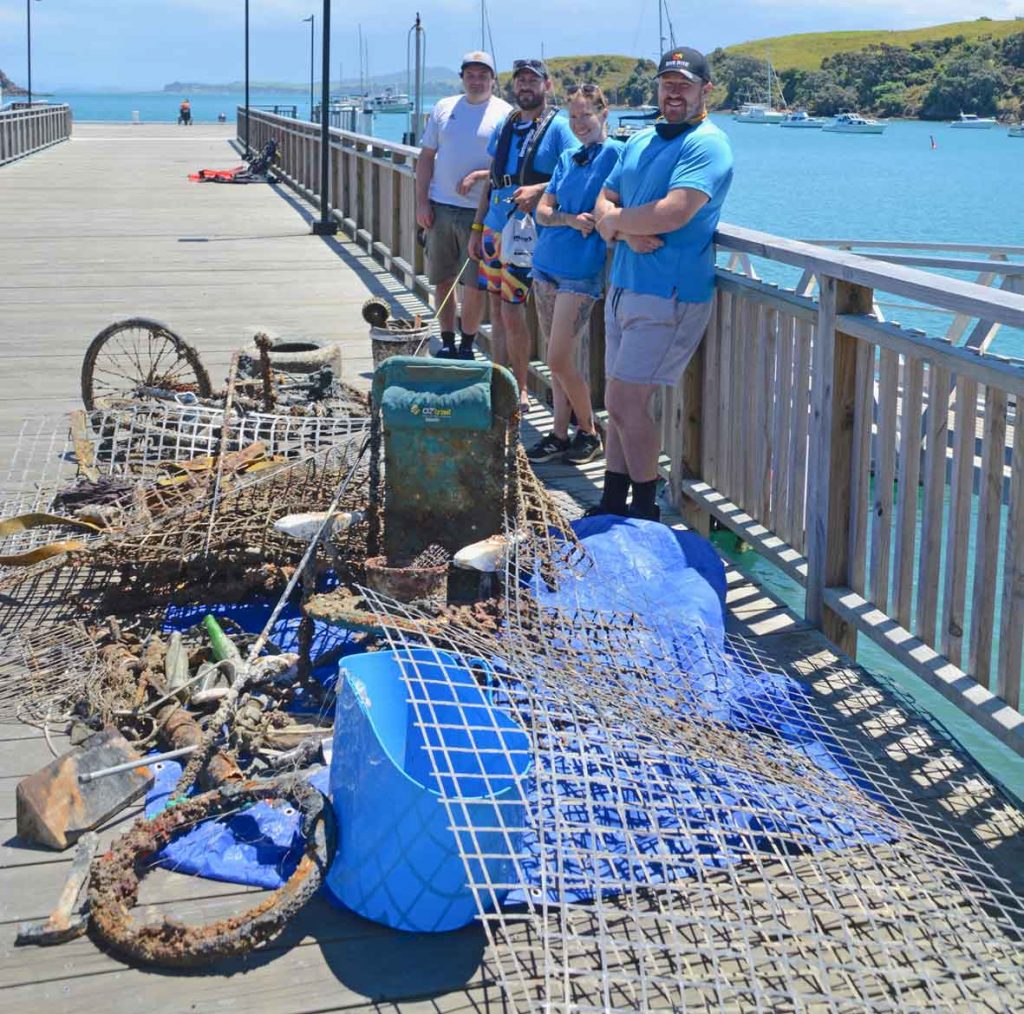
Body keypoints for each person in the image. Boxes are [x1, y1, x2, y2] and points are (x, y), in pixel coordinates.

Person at [592, 47, 733, 521]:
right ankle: (613, 503)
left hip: (669, 294)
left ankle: (645, 513)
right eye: (667, 83)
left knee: (625, 401)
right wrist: (622, 226)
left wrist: (615, 224)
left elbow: (675, 212)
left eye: (684, 84)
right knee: (617, 402)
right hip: (625, 287)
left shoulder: (707, 143)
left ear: (704, 90)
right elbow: (603, 199)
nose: (674, 92)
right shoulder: (641, 138)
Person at [469, 59, 577, 404]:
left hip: (528, 236)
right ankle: (498, 378)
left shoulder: (559, 128)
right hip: (494, 229)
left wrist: (539, 190)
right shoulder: (506, 124)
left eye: (533, 80)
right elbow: (492, 176)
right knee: (497, 310)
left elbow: (575, 174)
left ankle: (520, 387)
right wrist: (476, 226)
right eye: (521, 81)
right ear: (514, 87)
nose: (526, 86)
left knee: (513, 311)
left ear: (546, 86)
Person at [526, 83, 622, 466]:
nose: (580, 123)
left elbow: (620, 201)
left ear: (604, 114)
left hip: (581, 273)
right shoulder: (568, 156)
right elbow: (543, 212)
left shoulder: (618, 154)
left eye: (587, 115)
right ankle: (558, 432)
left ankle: (589, 431)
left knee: (559, 357)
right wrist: (568, 218)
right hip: (545, 264)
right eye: (574, 116)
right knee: (556, 358)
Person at [415, 52, 511, 360]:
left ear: (493, 79)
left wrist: (479, 176)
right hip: (441, 206)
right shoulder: (444, 108)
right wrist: (421, 203)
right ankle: (446, 339)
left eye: (483, 74)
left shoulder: (504, 113)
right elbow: (426, 157)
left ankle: (467, 345)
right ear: (463, 78)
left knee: (473, 284)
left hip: (480, 212)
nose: (477, 80)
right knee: (442, 278)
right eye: (470, 74)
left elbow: (507, 164)